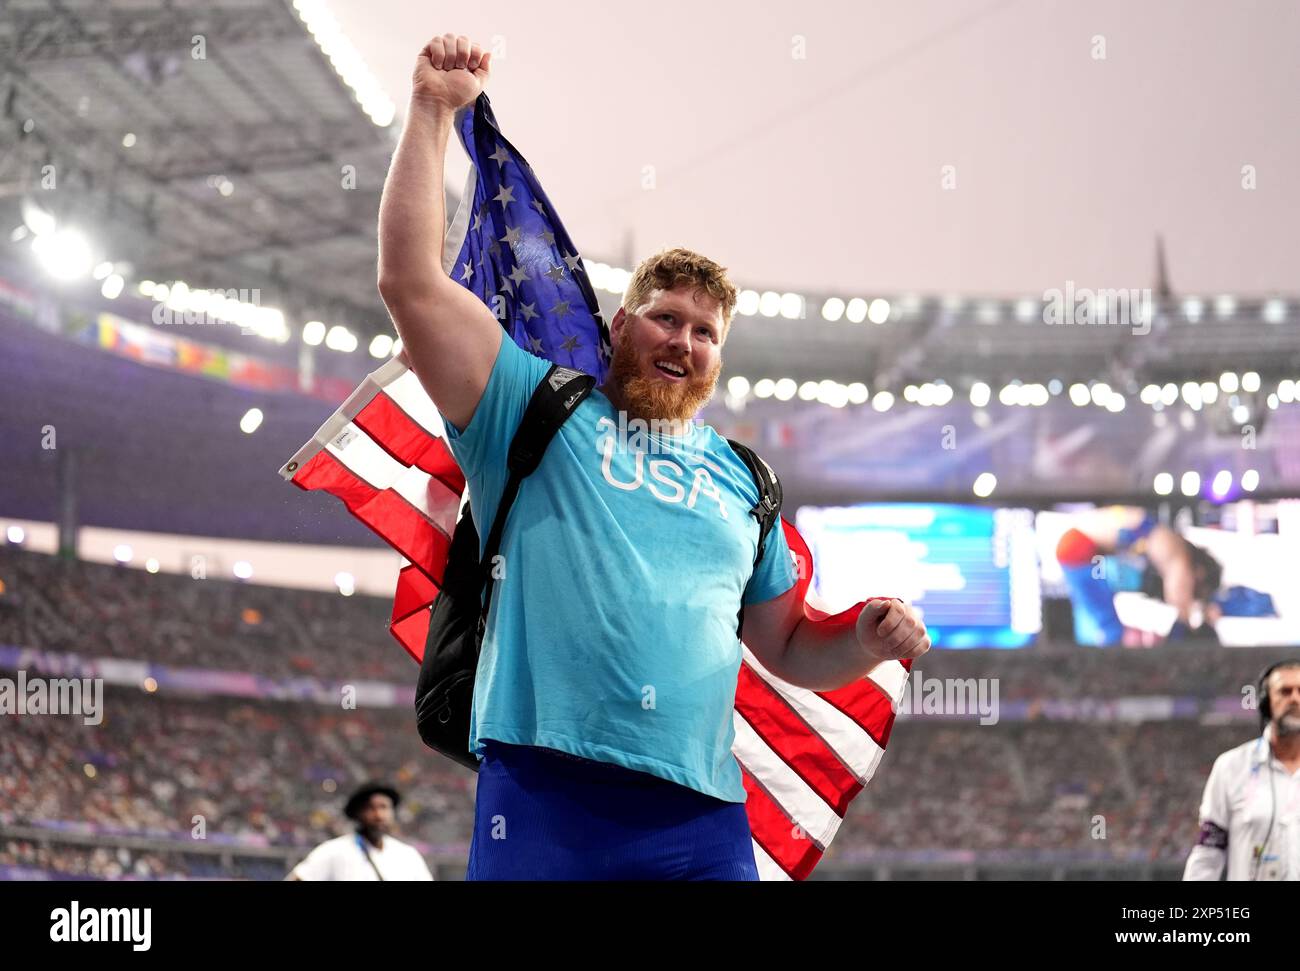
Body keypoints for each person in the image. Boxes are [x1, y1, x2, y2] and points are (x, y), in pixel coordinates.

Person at [376, 33, 931, 880]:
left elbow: (785, 647)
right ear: (620, 327)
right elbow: (410, 283)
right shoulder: (534, 407)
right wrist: (429, 113)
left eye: (706, 331)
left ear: (718, 357)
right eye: (666, 317)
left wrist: (862, 636)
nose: (685, 340)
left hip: (701, 816)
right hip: (543, 793)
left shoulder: (746, 481)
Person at [1184, 661, 1300, 880]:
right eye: (1285, 691)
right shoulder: (1231, 767)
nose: (1294, 698)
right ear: (1266, 703)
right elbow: (1208, 853)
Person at [287, 783, 434, 881]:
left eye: (384, 807)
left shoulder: (408, 856)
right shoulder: (333, 851)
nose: (378, 815)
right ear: (357, 814)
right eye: (370, 808)